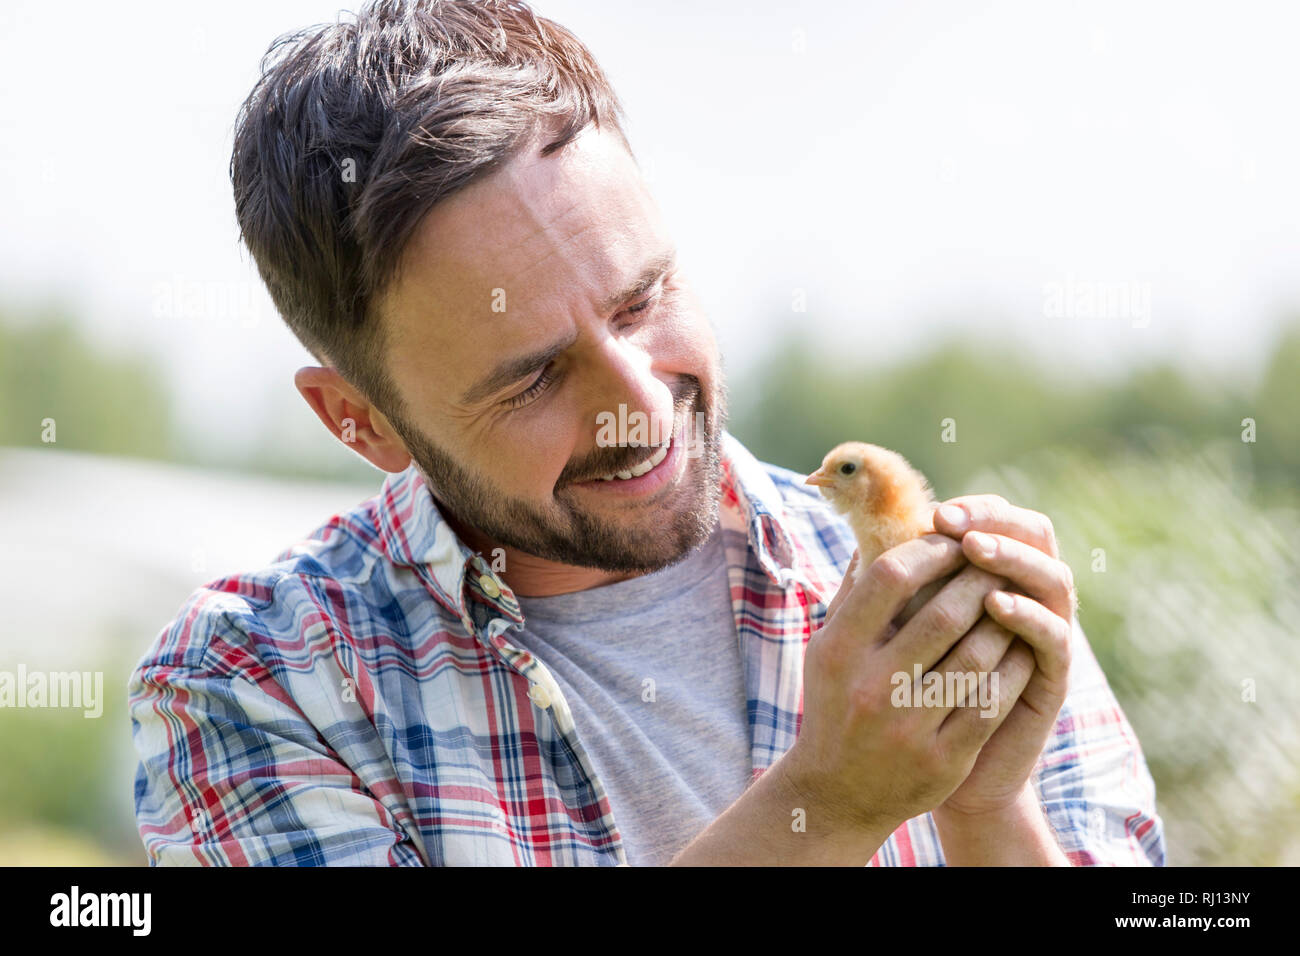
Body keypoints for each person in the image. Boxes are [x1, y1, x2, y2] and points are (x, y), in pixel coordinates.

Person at [128, 0, 1164, 866]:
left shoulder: (946, 594)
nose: (642, 401)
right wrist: (831, 803)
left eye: (641, 298)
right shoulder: (258, 683)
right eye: (533, 374)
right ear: (360, 420)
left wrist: (985, 811)